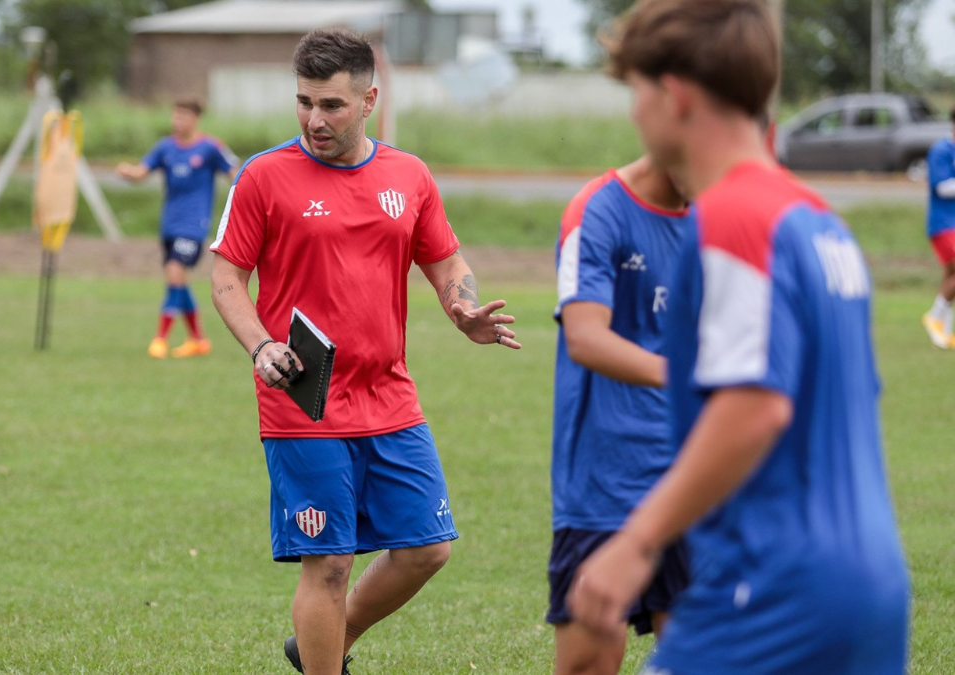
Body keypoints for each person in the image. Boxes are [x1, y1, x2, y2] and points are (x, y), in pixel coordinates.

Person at [567, 2, 911, 674]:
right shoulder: (820, 221)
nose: (634, 112)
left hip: (776, 587)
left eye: (637, 90)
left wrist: (637, 541)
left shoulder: (731, 217)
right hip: (871, 580)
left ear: (675, 95)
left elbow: (755, 406)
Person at [210, 28, 521, 675]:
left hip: (389, 394)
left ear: (369, 100)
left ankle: (321, 645)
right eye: (304, 102)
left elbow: (445, 260)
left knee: (427, 548)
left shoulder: (409, 175)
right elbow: (226, 279)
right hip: (305, 398)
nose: (314, 120)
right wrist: (261, 345)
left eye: (332, 105)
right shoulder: (264, 176)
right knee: (329, 563)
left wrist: (462, 306)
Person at [549, 155, 691, 675]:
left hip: (695, 476)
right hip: (604, 480)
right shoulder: (599, 209)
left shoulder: (723, 218)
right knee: (590, 661)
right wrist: (690, 377)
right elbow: (586, 338)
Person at [117, 97, 238, 359]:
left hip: (194, 224)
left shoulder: (210, 147)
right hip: (170, 224)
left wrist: (245, 197)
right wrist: (128, 172)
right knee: (178, 279)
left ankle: (160, 339)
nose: (177, 121)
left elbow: (236, 174)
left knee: (174, 272)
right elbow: (141, 173)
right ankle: (199, 340)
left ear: (195, 119)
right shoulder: (165, 147)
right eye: (175, 115)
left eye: (183, 116)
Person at [922, 108, 955, 349]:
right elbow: (942, 187)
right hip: (943, 224)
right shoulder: (941, 150)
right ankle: (934, 316)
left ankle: (944, 329)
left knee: (950, 275)